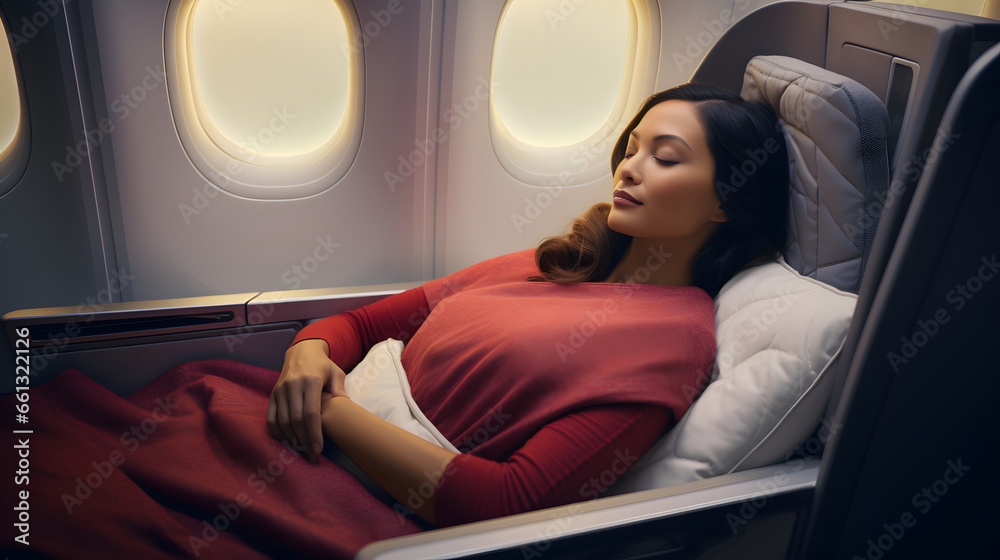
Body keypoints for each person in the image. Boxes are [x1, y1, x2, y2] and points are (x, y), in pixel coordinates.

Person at [267, 83, 790, 527]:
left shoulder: (674, 341)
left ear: (726, 200)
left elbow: (508, 501)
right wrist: (307, 353)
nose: (629, 169)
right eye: (631, 149)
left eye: (666, 157)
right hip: (288, 437)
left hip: (352, 501)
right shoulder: (560, 260)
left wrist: (331, 410)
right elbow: (361, 324)